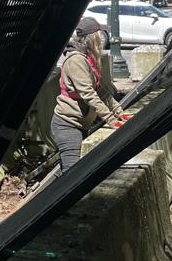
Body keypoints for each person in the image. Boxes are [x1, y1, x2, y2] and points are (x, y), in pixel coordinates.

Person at [52, 16, 128, 173]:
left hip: (81, 123)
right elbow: (89, 94)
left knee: (75, 170)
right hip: (67, 124)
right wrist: (112, 121)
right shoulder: (76, 61)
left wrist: (120, 112)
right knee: (72, 172)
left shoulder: (87, 58)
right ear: (90, 38)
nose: (101, 39)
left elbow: (100, 91)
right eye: (98, 36)